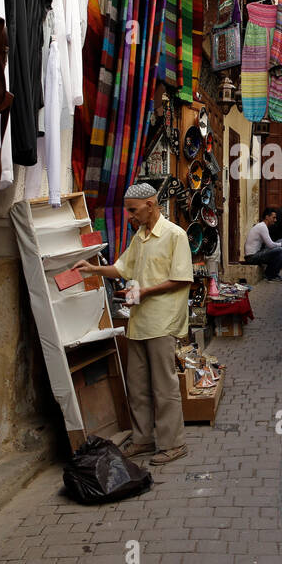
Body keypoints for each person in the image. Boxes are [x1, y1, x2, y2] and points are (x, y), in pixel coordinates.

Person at [73, 182, 192, 465]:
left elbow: (181, 279)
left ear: (150, 205)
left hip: (162, 322)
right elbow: (122, 268)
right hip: (139, 323)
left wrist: (142, 291)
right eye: (128, 211)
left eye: (133, 210)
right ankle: (143, 439)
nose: (129, 216)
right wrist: (94, 268)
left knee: (164, 387)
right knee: (137, 386)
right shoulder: (140, 237)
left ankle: (173, 443)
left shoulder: (175, 235)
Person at [245, 207, 282, 282]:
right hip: (251, 257)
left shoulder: (262, 226)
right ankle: (272, 275)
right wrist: (281, 244)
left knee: (278, 249)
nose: (275, 220)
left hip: (254, 255)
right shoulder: (262, 227)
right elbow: (270, 245)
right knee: (279, 250)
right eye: (273, 218)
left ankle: (270, 273)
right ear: (267, 217)